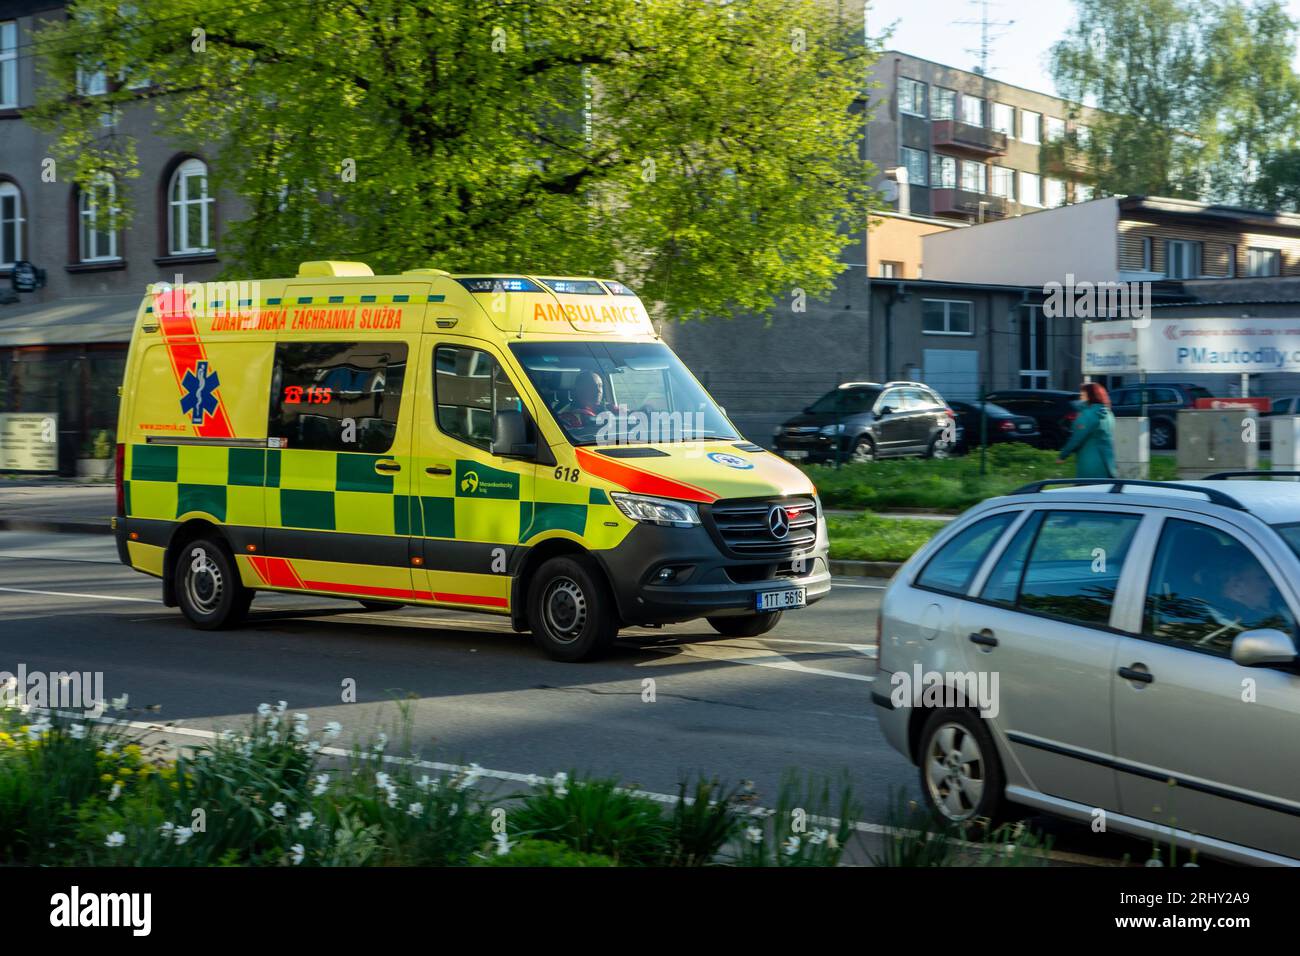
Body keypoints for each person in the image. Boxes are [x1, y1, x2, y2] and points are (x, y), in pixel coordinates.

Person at [1056, 382, 1118, 479]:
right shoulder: (1108, 413)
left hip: (1090, 465)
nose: (1080, 398)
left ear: (1090, 396)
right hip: (1108, 464)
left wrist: (1063, 455)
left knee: (1085, 492)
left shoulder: (1088, 415)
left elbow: (1077, 438)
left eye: (1083, 395)